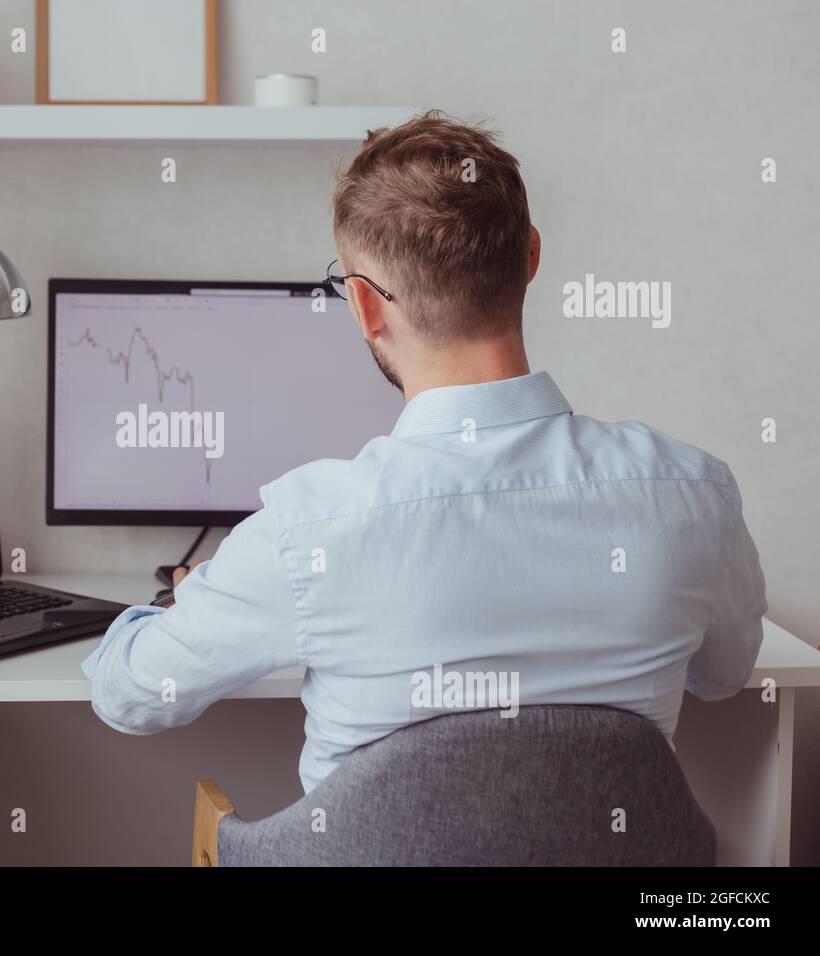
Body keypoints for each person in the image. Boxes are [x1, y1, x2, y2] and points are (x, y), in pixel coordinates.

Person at [81, 112, 767, 794]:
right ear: (530, 257)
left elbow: (127, 694)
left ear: (364, 306)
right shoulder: (693, 493)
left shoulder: (306, 534)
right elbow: (724, 673)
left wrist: (197, 596)